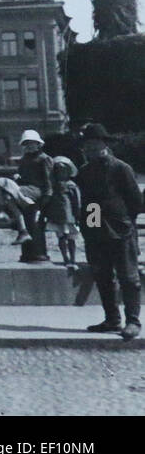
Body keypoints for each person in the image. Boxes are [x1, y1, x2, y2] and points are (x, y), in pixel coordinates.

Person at [77, 123, 142, 339]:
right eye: (88, 147)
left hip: (121, 231)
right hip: (97, 231)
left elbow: (135, 201)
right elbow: (90, 203)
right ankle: (112, 319)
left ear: (105, 145)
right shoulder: (85, 172)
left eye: (96, 146)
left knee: (128, 277)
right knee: (103, 276)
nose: (92, 150)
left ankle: (133, 321)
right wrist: (91, 229)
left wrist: (124, 223)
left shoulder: (121, 168)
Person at [10, 130, 54, 262]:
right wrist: (18, 177)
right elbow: (22, 176)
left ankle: (39, 252)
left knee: (36, 223)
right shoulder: (25, 159)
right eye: (26, 143)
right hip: (25, 192)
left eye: (32, 143)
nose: (29, 146)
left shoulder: (44, 158)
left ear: (38, 144)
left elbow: (48, 179)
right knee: (29, 220)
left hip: (37, 192)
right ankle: (27, 252)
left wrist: (47, 195)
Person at [47, 156, 81, 268]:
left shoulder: (71, 185)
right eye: (58, 170)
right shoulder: (53, 185)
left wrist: (78, 214)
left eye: (63, 170)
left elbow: (77, 201)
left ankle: (73, 259)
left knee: (71, 238)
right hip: (57, 216)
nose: (61, 173)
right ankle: (65, 258)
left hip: (69, 215)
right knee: (61, 237)